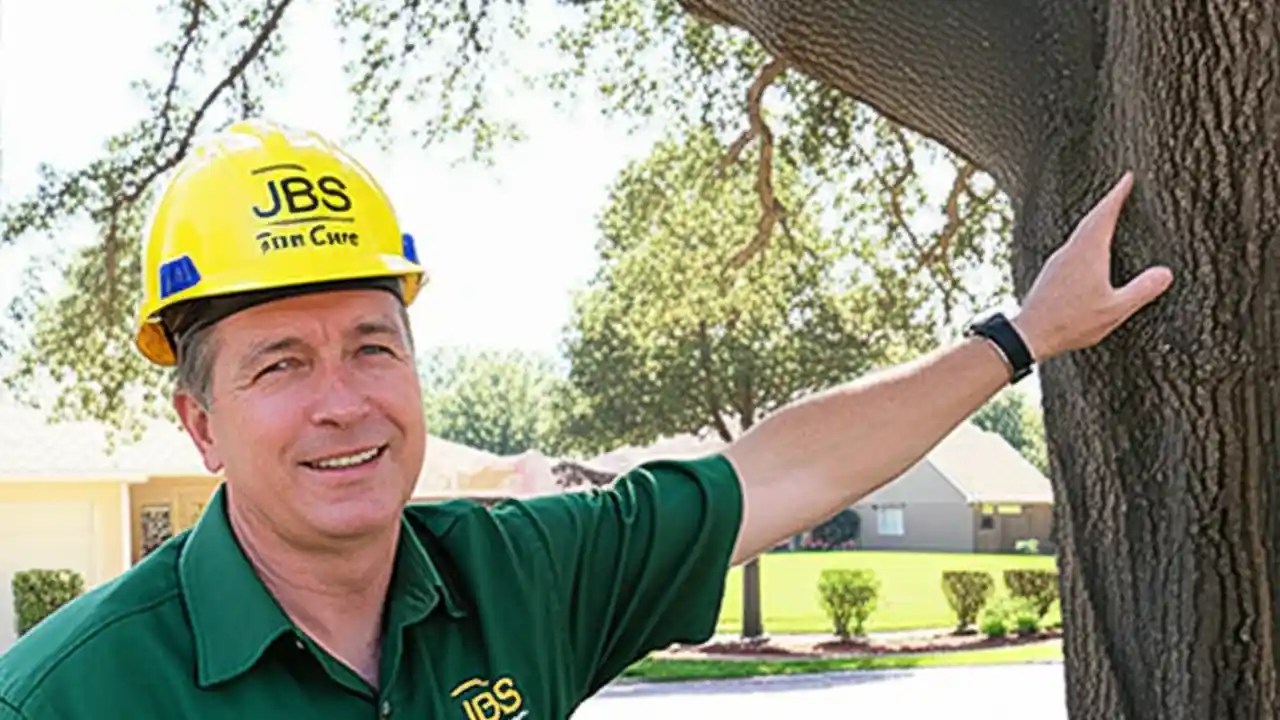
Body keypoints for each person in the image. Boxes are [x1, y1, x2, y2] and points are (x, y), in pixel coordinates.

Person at [0, 120, 1173, 719]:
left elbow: (782, 472)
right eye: (279, 366)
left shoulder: (521, 580)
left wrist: (1021, 335)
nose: (342, 401)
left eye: (372, 346)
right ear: (200, 424)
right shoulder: (68, 695)